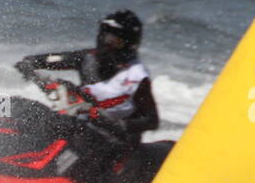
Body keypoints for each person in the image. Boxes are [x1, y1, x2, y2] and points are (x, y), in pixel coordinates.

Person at [14, 9, 159, 142]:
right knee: (31, 114)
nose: (104, 42)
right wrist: (29, 64)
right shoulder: (88, 58)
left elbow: (151, 120)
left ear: (129, 44)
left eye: (112, 40)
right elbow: (42, 61)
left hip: (115, 142)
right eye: (103, 35)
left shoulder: (137, 77)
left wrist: (117, 124)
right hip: (80, 128)